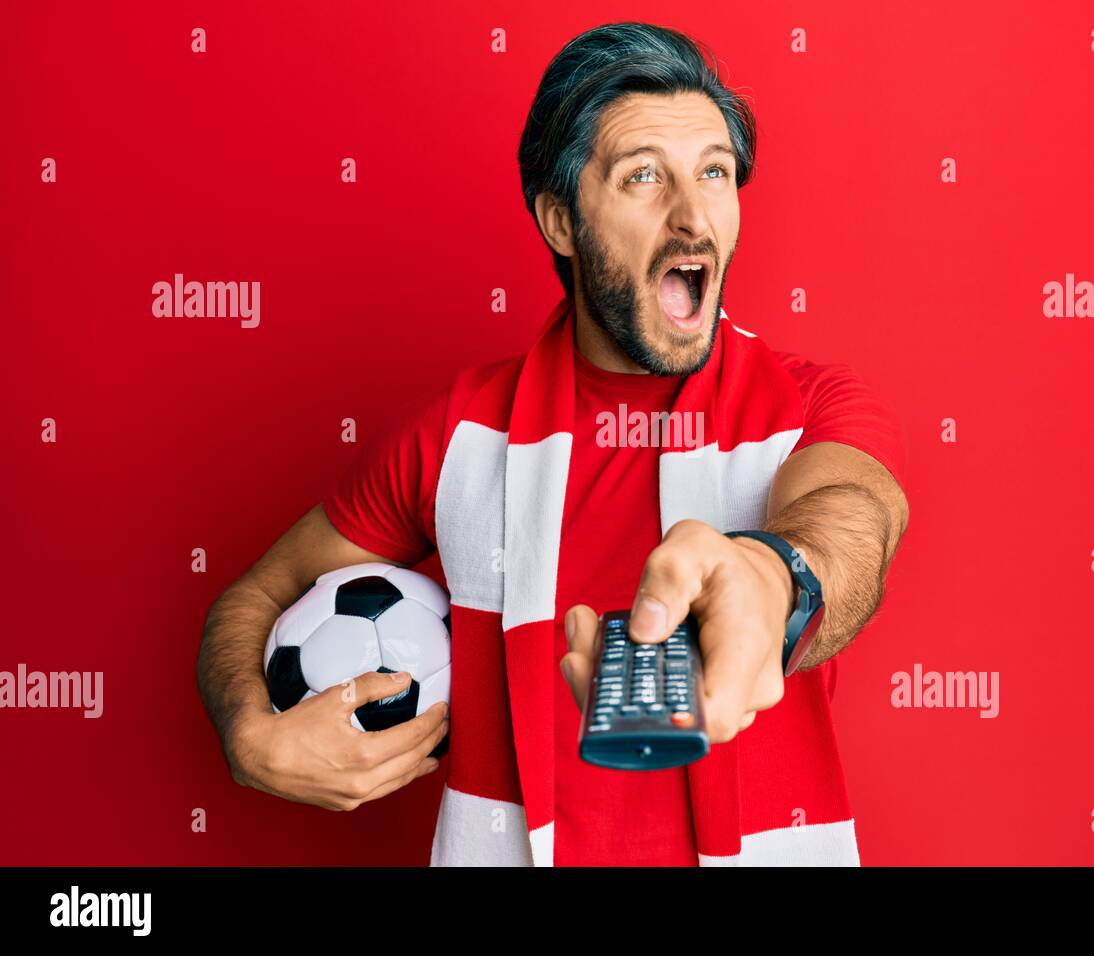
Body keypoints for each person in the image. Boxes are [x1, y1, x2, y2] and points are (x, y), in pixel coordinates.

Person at [197, 21, 910, 866]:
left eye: (714, 173)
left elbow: (856, 519)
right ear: (561, 219)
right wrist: (247, 727)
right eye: (644, 176)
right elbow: (254, 597)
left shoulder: (811, 404)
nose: (692, 218)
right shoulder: (456, 432)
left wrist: (775, 577)